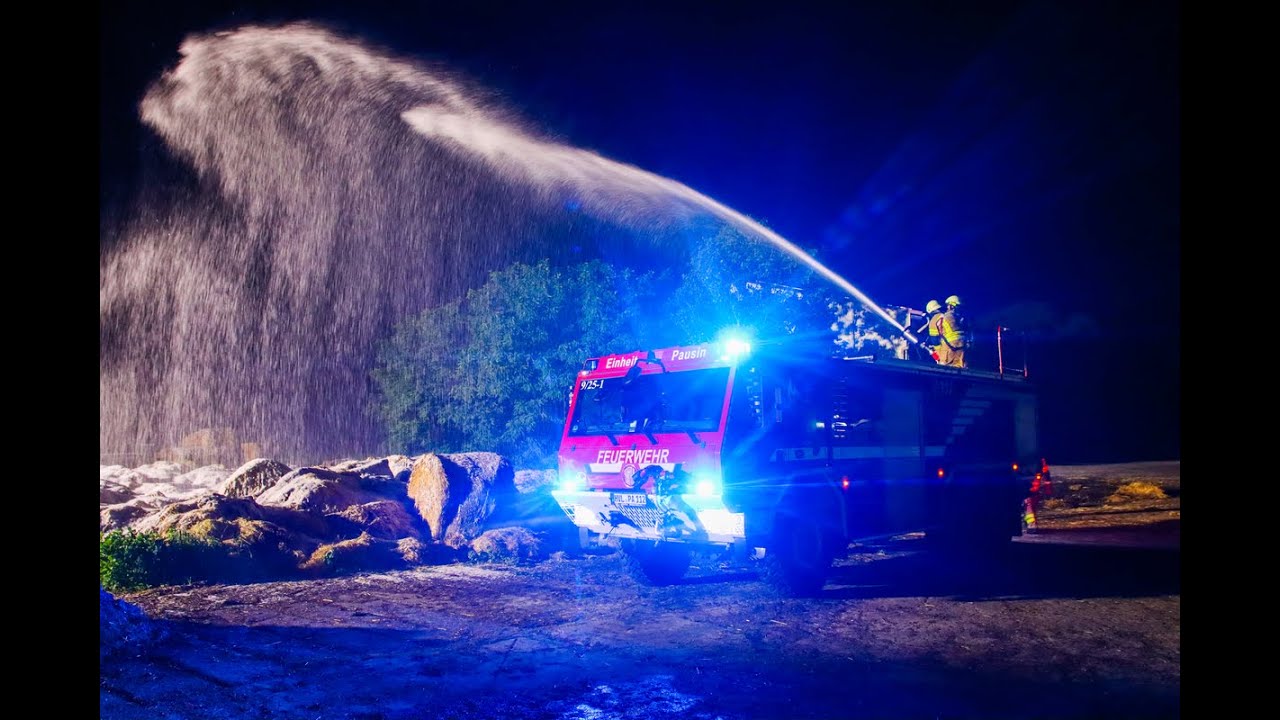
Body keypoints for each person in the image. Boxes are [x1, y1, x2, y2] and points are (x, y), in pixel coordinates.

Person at [915, 300, 948, 364]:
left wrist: (937, 355)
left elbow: (934, 340)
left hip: (943, 352)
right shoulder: (945, 316)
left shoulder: (935, 319)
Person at [939, 295, 966, 368]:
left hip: (950, 347)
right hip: (959, 346)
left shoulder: (948, 316)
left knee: (946, 369)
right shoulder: (955, 317)